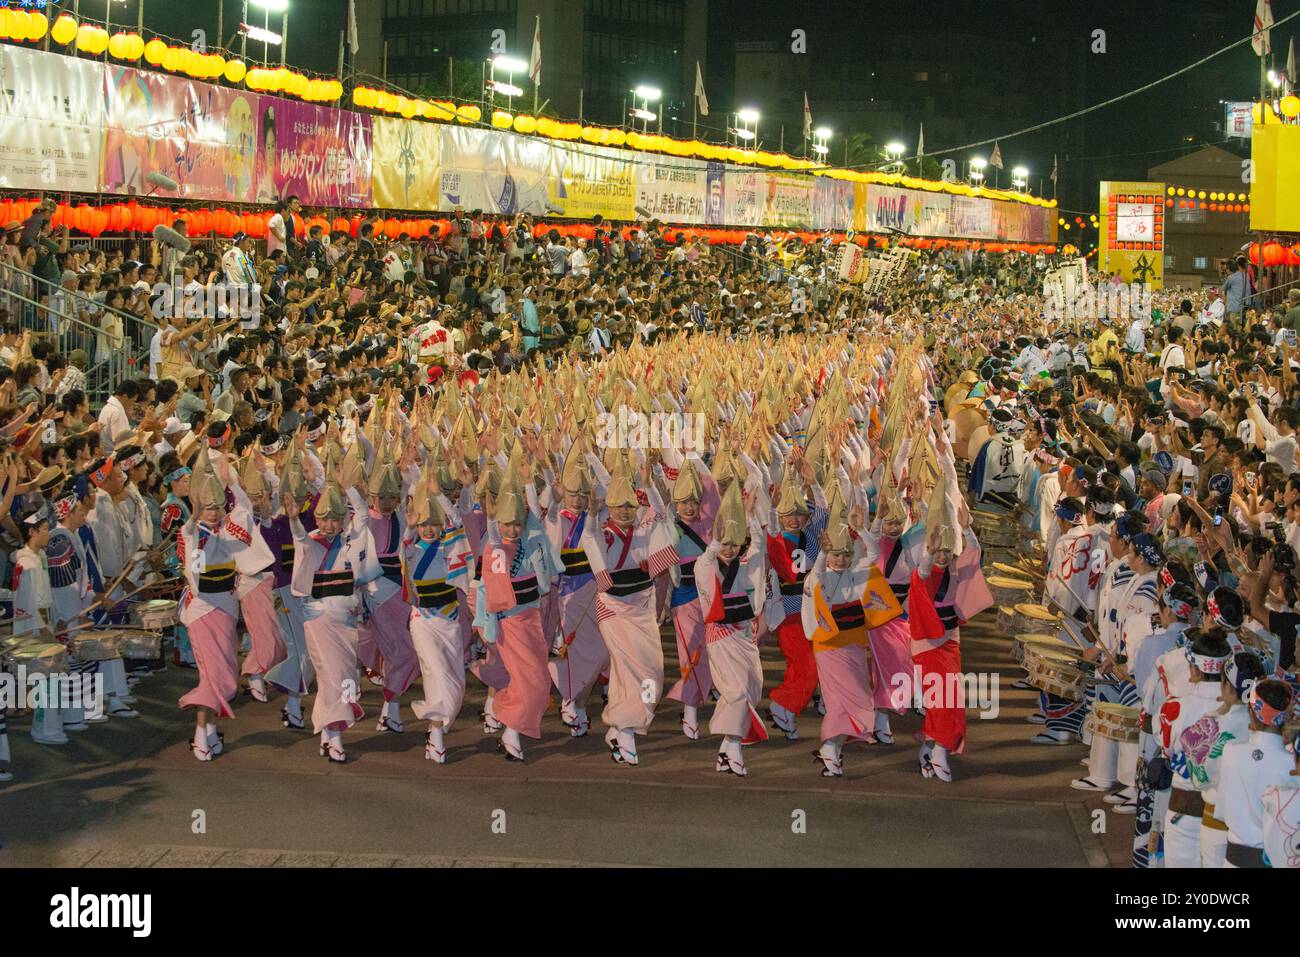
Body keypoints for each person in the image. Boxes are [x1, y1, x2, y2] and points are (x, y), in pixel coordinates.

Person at [287, 481, 381, 763]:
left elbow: (363, 515)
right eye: (324, 518)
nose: (329, 525)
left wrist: (349, 485)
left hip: (346, 620)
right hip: (318, 618)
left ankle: (327, 733)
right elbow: (300, 538)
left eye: (335, 519)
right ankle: (337, 737)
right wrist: (293, 519)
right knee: (338, 677)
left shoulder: (349, 540)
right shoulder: (310, 542)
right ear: (316, 518)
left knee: (336, 678)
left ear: (343, 519)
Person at [694, 480, 768, 776]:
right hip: (720, 636)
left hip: (743, 636)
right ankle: (734, 748)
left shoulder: (747, 563)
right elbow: (705, 559)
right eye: (725, 543)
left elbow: (759, 548)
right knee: (736, 692)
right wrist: (716, 539)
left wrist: (749, 517)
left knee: (752, 688)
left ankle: (726, 748)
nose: (729, 549)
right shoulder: (707, 565)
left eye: (735, 544)